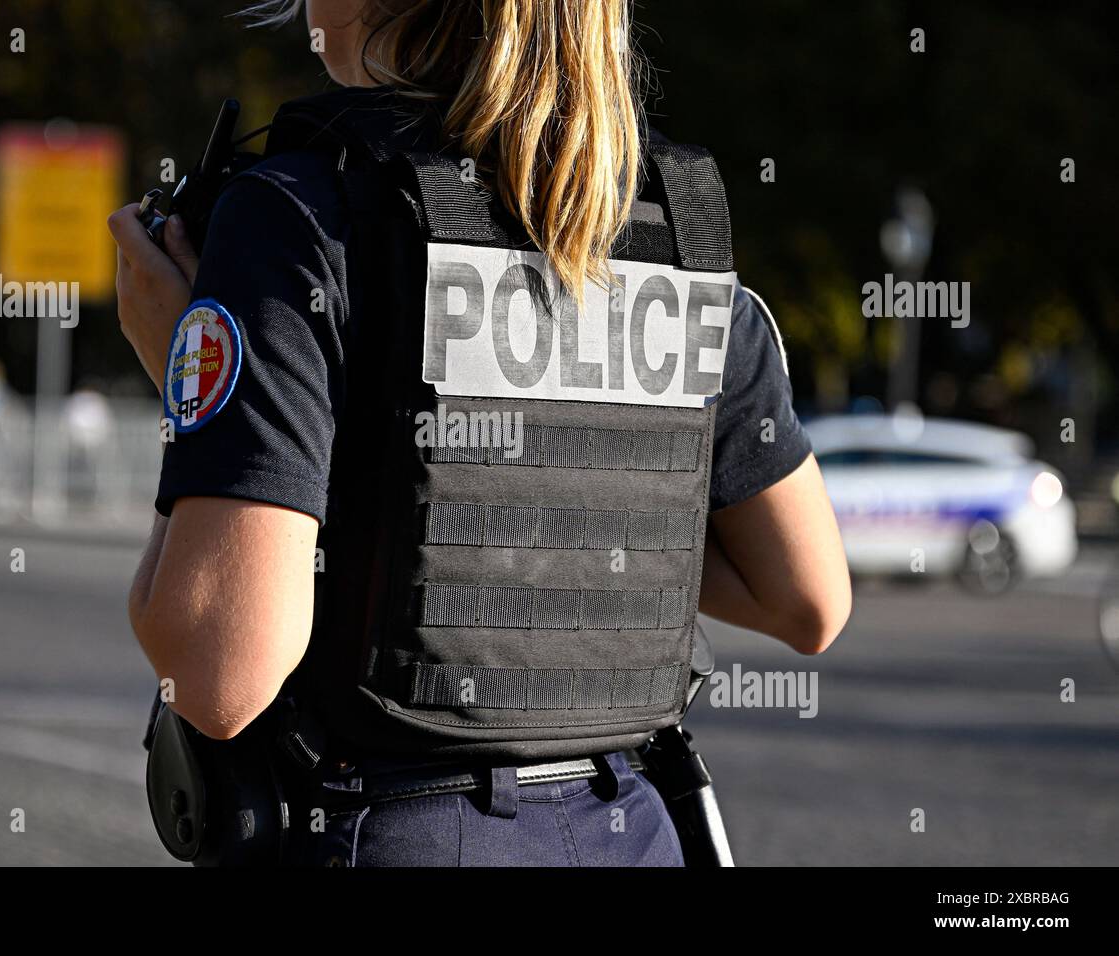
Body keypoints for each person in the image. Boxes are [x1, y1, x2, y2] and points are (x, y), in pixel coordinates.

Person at [108, 0, 851, 867]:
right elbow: (806, 599)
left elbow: (218, 676)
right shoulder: (666, 227)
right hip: (637, 833)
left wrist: (192, 390)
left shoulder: (298, 214)